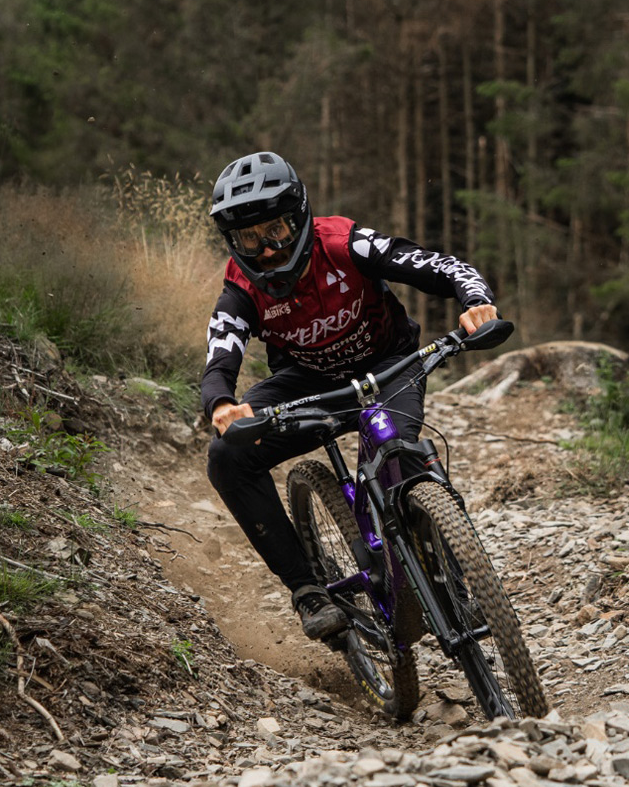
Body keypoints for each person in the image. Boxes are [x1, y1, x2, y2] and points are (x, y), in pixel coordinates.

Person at [201, 151, 499, 642]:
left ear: (299, 217)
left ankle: (452, 584)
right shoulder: (240, 290)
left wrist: (477, 303)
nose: (267, 250)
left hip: (388, 366)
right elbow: (219, 361)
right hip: (308, 383)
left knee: (397, 454)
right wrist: (222, 405)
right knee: (226, 457)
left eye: (275, 230)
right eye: (249, 239)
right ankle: (308, 590)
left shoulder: (346, 243)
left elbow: (443, 266)